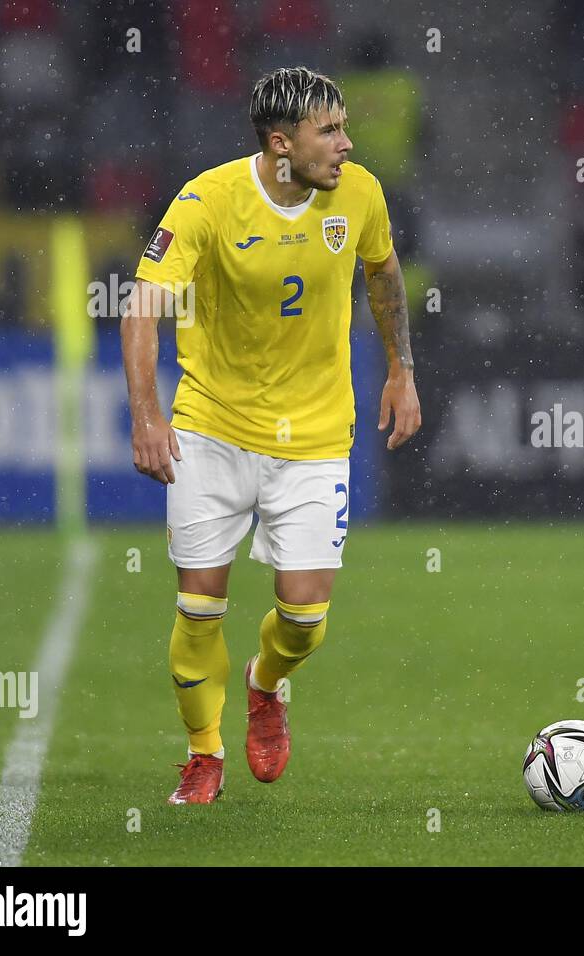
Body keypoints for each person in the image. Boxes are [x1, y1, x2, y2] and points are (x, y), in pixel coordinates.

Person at [119, 66, 421, 804]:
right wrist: (148, 416)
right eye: (331, 131)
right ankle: (203, 754)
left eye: (345, 127)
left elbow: (383, 273)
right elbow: (140, 307)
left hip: (315, 436)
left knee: (305, 618)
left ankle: (265, 684)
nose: (347, 144)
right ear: (282, 144)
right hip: (212, 430)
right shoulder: (208, 201)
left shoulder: (361, 194)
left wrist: (401, 368)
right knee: (200, 606)